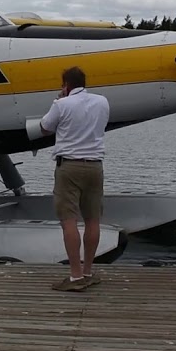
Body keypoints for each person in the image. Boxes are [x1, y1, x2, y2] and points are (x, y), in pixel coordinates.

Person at [38, 66, 110, 291]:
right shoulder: (102, 101)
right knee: (92, 220)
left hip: (69, 166)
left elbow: (44, 128)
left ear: (66, 85)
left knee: (69, 221)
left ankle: (75, 276)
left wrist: (60, 100)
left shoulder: (61, 104)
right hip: (95, 166)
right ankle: (88, 271)